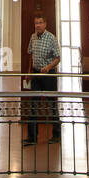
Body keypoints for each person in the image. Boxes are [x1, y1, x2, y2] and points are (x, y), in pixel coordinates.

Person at [25, 13, 62, 145]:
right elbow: (31, 55)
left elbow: (58, 58)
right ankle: (32, 137)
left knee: (52, 104)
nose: (38, 25)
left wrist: (48, 67)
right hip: (35, 75)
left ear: (45, 24)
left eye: (40, 22)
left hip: (49, 75)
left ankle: (56, 135)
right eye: (36, 23)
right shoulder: (32, 37)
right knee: (33, 105)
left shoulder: (51, 38)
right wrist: (29, 73)